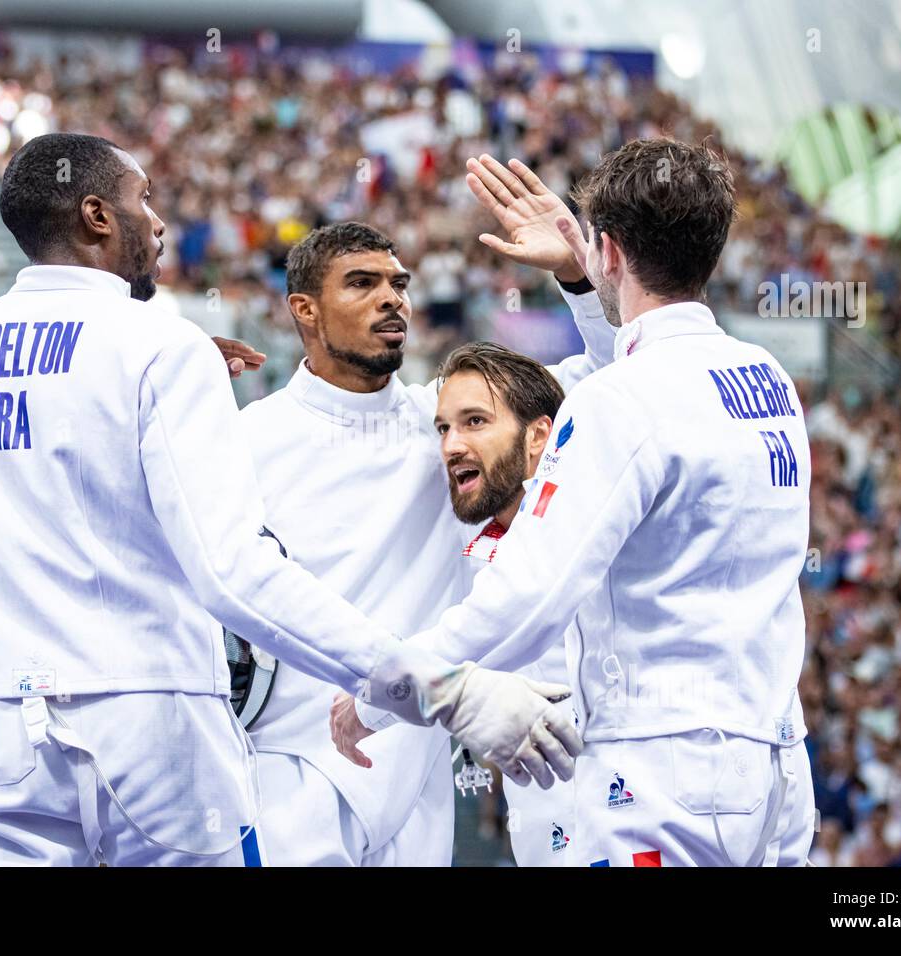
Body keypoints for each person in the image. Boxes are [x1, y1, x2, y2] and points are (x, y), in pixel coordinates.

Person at [0, 132, 581, 867]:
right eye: (144, 200)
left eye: (398, 283)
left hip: (0, 734)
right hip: (159, 731)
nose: (159, 223)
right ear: (97, 216)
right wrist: (447, 691)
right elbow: (232, 577)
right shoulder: (164, 348)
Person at [335, 138, 817, 867]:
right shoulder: (765, 377)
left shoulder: (622, 402)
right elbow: (632, 372)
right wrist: (582, 275)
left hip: (662, 775)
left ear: (612, 250)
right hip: (776, 762)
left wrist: (383, 690)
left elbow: (526, 601)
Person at [241, 155, 616, 866]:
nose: (394, 300)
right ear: (304, 310)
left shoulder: (445, 425)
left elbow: (605, 380)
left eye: (399, 285)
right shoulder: (246, 441)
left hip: (415, 795)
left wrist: (577, 280)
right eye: (363, 284)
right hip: (286, 782)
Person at [434, 341, 582, 865]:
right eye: (444, 428)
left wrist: (577, 278)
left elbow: (618, 361)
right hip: (541, 836)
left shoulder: (589, 519)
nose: (452, 444)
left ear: (539, 435)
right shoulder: (468, 531)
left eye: (475, 421)